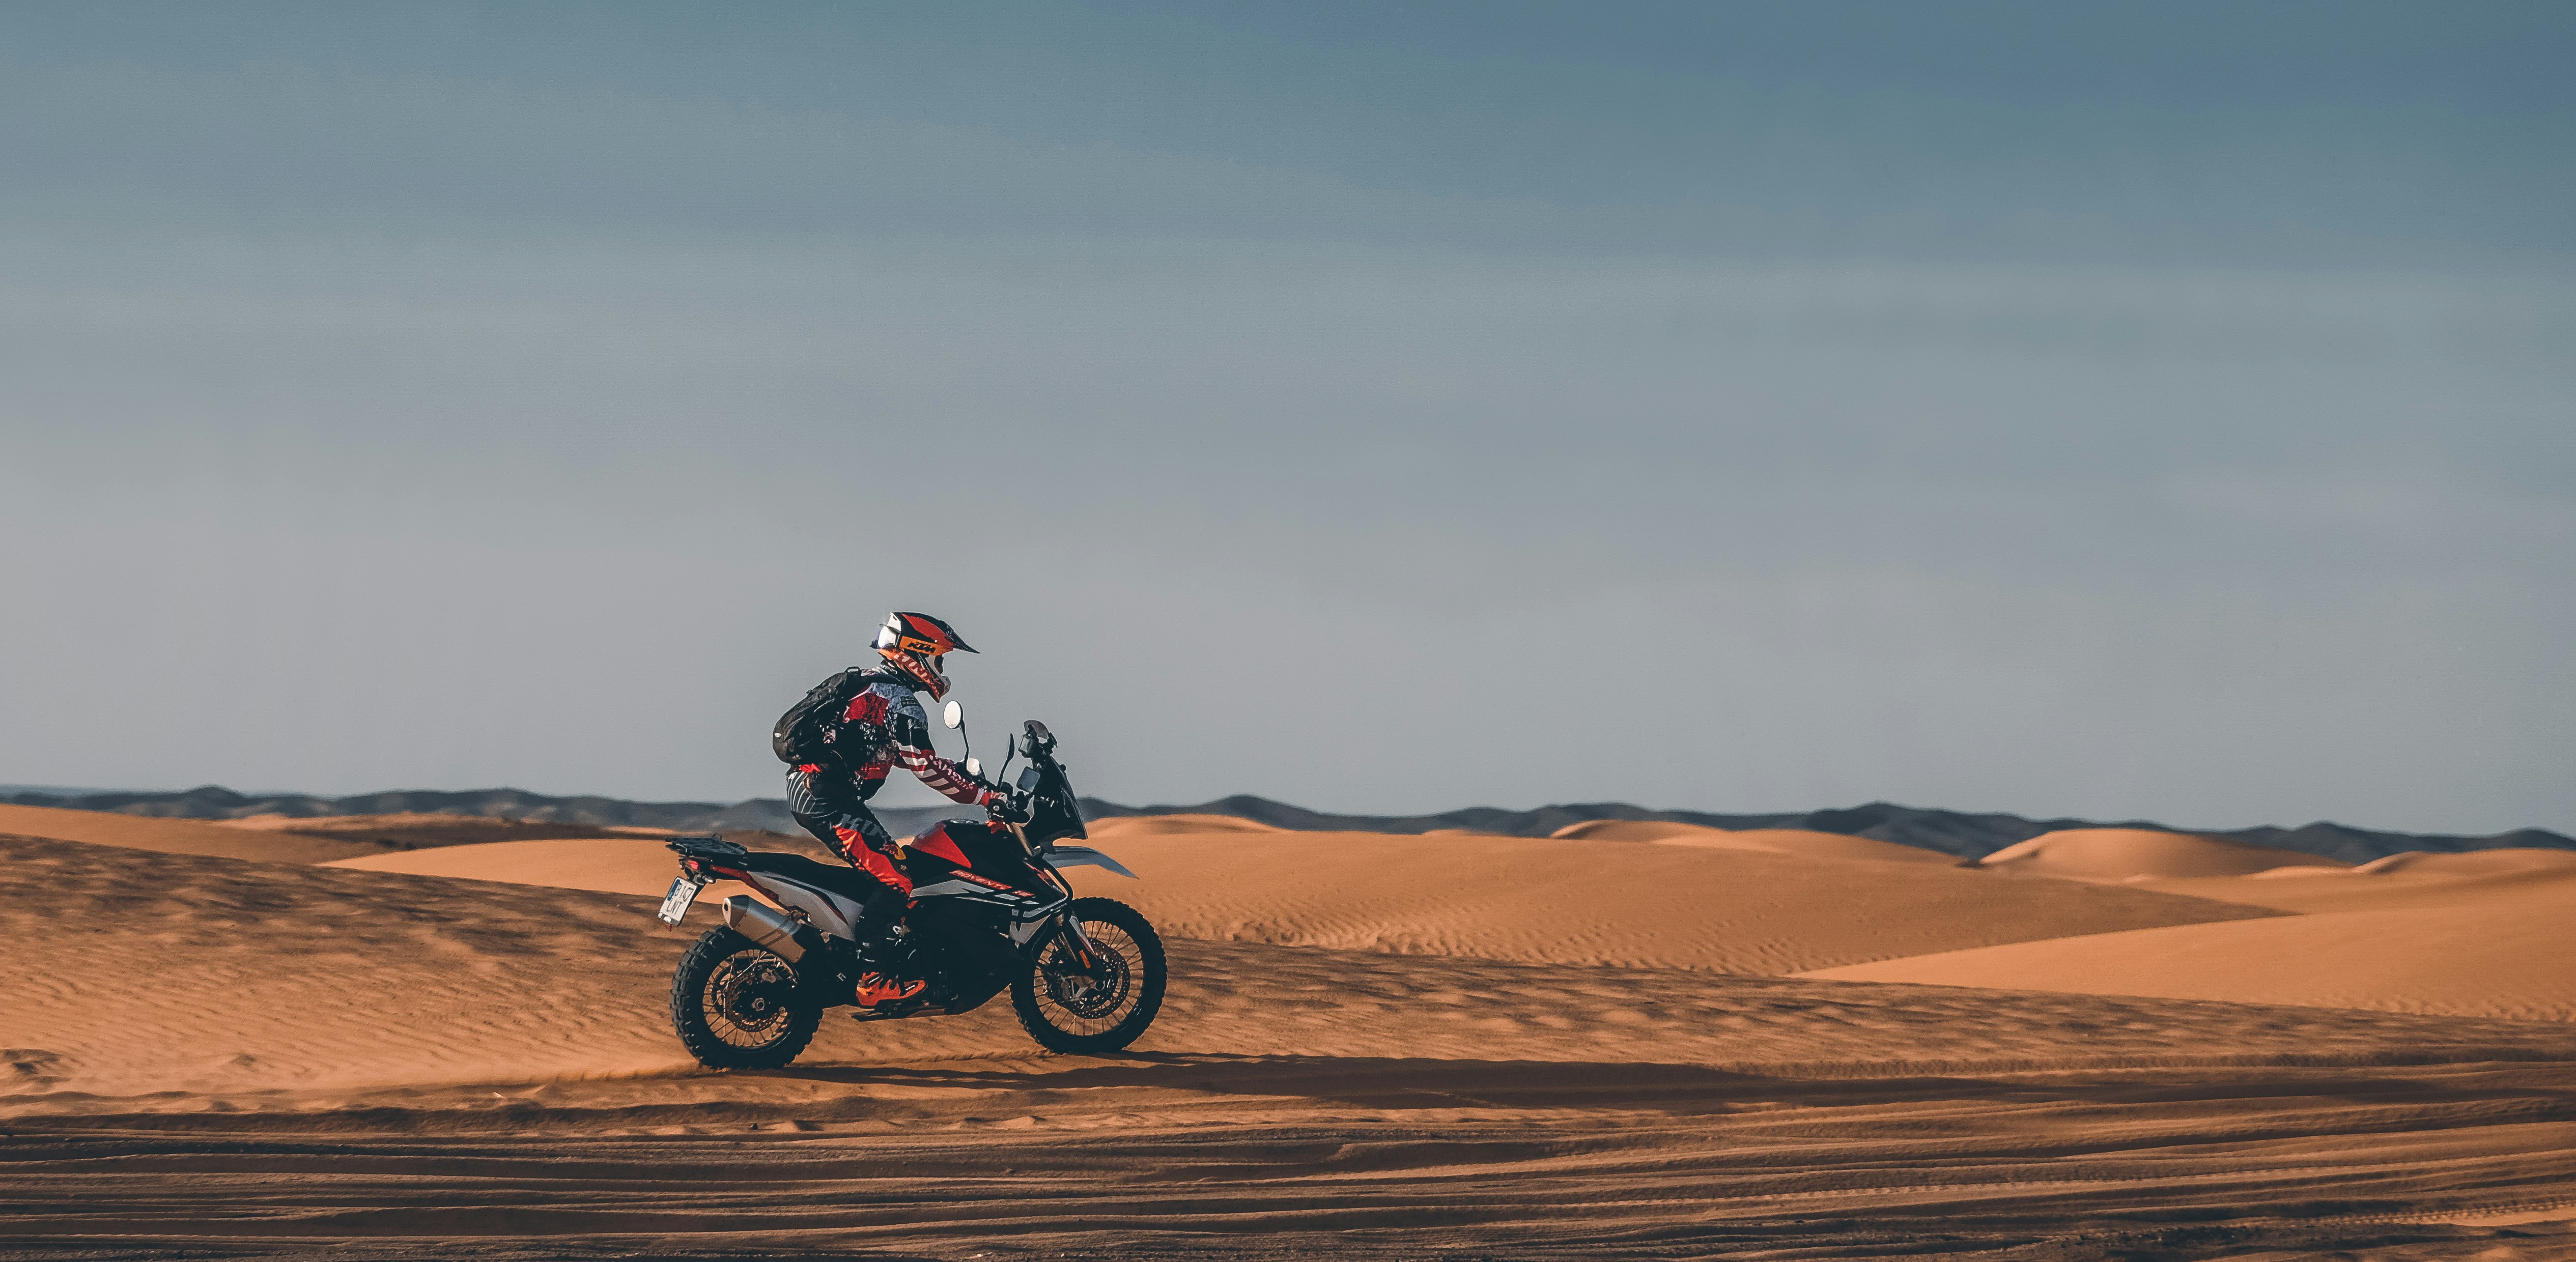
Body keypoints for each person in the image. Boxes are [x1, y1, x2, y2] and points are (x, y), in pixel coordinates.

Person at [777, 610, 1003, 1005]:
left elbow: (894, 753)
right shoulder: (899, 700)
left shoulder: (868, 685)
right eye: (940, 658)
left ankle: (853, 950)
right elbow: (925, 769)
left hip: (814, 791)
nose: (942, 668)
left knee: (879, 874)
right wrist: (985, 798)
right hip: (828, 799)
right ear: (919, 653)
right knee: (896, 878)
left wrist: (962, 776)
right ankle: (874, 977)